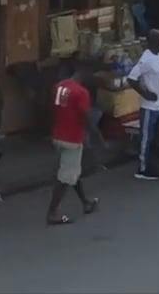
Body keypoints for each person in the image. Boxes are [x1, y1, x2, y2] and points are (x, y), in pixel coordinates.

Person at [46, 62, 99, 226]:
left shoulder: (59, 87)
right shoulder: (82, 92)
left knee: (72, 172)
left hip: (58, 135)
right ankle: (52, 212)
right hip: (72, 138)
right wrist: (98, 137)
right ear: (84, 72)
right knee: (66, 176)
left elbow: (54, 109)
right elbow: (87, 117)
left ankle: (85, 202)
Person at [121, 30, 159, 180]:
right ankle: (142, 169)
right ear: (152, 42)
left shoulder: (157, 56)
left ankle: (151, 164)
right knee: (145, 138)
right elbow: (132, 78)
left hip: (158, 105)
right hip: (149, 107)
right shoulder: (146, 59)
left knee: (153, 138)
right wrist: (145, 94)